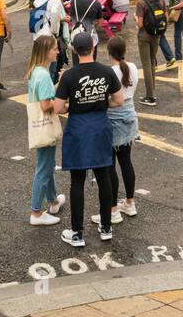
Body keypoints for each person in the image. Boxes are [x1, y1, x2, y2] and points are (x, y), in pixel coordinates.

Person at [54, 33, 125, 247]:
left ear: (74, 50)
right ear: (94, 47)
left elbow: (58, 108)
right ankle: (106, 228)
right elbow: (119, 100)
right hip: (100, 126)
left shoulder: (69, 76)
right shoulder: (106, 72)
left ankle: (77, 233)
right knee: (104, 176)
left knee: (78, 181)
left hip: (78, 128)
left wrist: (73, 106)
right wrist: (102, 104)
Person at [96, 38, 141, 228]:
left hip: (112, 118)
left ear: (108, 52)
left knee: (109, 166)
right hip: (130, 116)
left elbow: (107, 98)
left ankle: (113, 210)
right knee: (126, 162)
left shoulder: (108, 72)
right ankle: (130, 203)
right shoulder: (132, 67)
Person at [27, 34, 66, 226]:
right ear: (45, 51)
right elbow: (45, 104)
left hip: (39, 125)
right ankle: (36, 212)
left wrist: (61, 83)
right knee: (43, 168)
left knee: (47, 164)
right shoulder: (42, 75)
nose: (58, 52)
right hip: (45, 125)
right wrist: (64, 103)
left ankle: (53, 201)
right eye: (54, 49)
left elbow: (46, 93)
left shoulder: (36, 71)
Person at [132, 0, 166, 106]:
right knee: (152, 62)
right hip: (157, 34)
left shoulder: (141, 2)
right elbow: (166, 16)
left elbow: (140, 25)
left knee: (146, 64)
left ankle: (150, 96)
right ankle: (152, 91)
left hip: (144, 36)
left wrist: (135, 17)